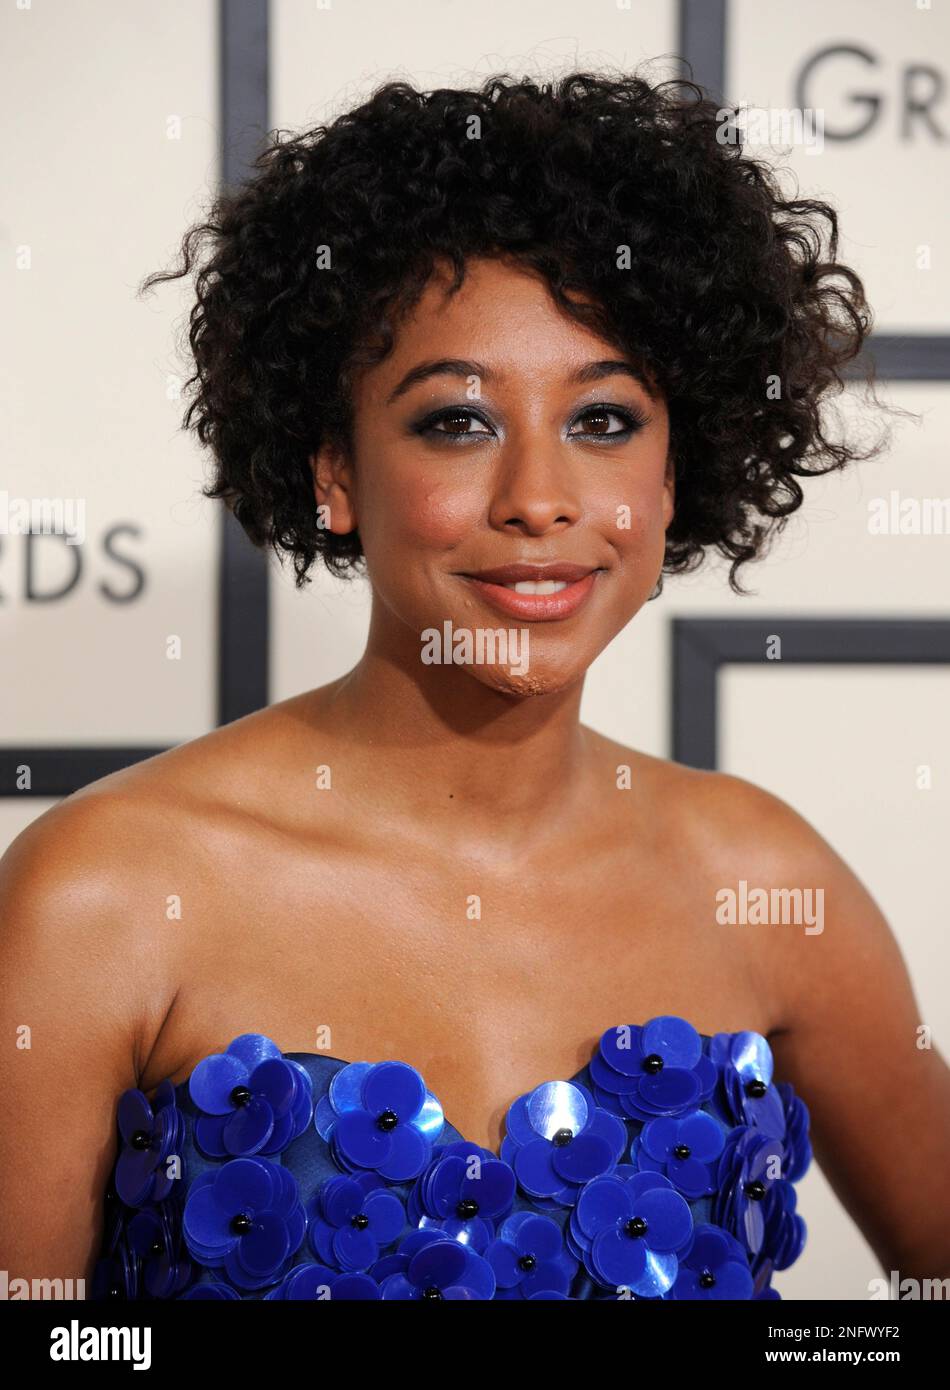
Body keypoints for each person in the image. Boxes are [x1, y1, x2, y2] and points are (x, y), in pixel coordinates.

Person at [2, 72, 948, 1301]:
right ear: (335, 471)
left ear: (674, 476)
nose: (538, 498)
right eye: (456, 421)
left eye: (603, 420)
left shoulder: (765, 883)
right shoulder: (103, 895)